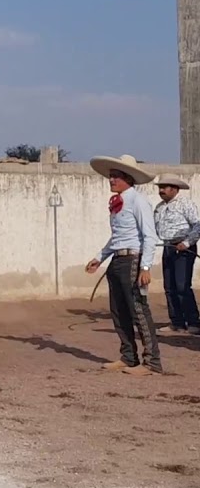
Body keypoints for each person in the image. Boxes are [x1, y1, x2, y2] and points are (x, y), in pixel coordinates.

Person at [84, 154, 163, 375]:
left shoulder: (138, 201)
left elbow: (149, 236)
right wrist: (100, 256)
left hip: (133, 260)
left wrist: (146, 267)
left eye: (115, 176)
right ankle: (128, 356)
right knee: (119, 311)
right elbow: (118, 236)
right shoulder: (119, 203)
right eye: (110, 176)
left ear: (128, 178)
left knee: (138, 309)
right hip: (118, 258)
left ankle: (152, 362)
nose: (111, 180)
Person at [153, 174, 200, 335]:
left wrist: (186, 242)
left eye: (164, 187)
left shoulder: (185, 204)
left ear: (174, 189)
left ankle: (194, 322)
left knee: (182, 286)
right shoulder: (159, 207)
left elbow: (198, 226)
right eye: (160, 187)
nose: (161, 190)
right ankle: (177, 322)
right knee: (169, 287)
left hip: (184, 248)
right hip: (168, 246)